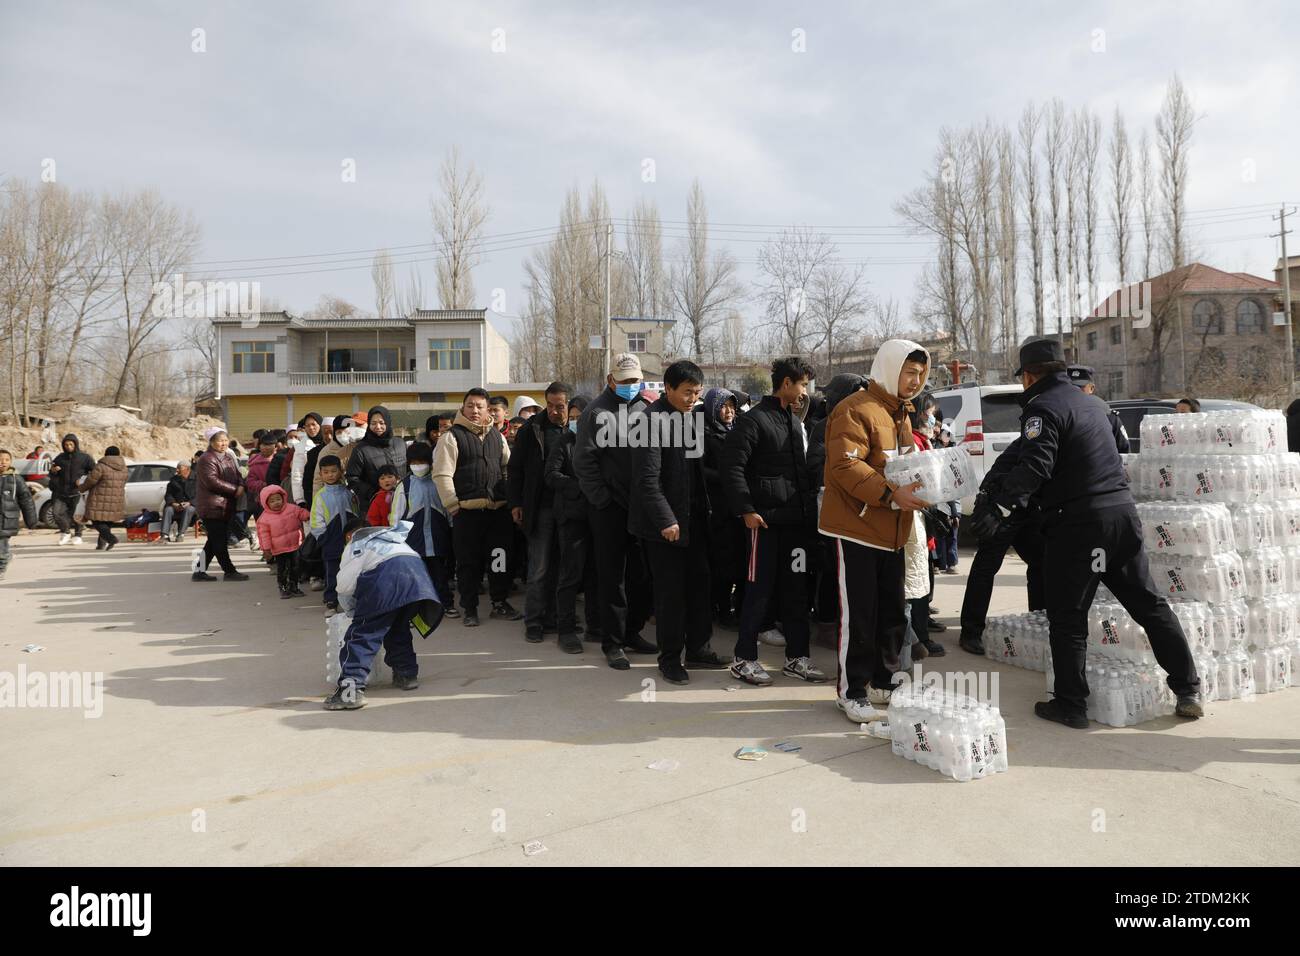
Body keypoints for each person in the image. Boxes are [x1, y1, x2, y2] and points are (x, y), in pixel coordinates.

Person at [974, 337, 1203, 727]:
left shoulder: (1042, 410)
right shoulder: (1096, 404)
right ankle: (1187, 688)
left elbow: (1036, 466)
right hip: (1121, 515)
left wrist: (999, 506)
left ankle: (1070, 704)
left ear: (1028, 376)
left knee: (1068, 617)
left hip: (1078, 524)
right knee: (1149, 604)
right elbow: (1113, 450)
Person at [820, 339, 931, 723]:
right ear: (889, 368)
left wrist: (924, 489)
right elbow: (846, 468)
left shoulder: (900, 413)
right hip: (858, 528)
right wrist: (890, 493)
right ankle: (851, 691)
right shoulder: (854, 410)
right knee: (860, 616)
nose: (915, 381)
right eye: (909, 372)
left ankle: (884, 683)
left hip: (892, 529)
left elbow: (899, 467)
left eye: (920, 374)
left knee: (890, 614)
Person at [723, 356, 826, 686]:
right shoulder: (752, 421)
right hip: (764, 524)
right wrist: (746, 510)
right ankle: (743, 659)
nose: (804, 391)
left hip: (795, 525)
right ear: (786, 383)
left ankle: (797, 658)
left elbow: (803, 473)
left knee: (796, 592)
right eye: (802, 384)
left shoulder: (795, 422)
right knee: (759, 591)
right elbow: (732, 468)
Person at [627, 362, 726, 683]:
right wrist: (665, 519)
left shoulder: (691, 417)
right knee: (671, 595)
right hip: (664, 526)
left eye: (697, 393)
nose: (692, 398)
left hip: (693, 518)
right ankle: (669, 658)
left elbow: (697, 471)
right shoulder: (648, 422)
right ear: (667, 388)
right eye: (687, 392)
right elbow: (646, 480)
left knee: (700, 586)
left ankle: (699, 649)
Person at [572, 352, 658, 670]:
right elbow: (584, 462)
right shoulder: (595, 413)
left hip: (641, 506)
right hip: (609, 508)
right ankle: (613, 642)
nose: (631, 386)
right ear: (611, 380)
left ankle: (632, 631)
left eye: (635, 380)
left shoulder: (645, 408)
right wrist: (603, 500)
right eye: (624, 381)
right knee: (612, 577)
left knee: (642, 574)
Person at [323, 518, 443, 711]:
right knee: (398, 627)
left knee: (363, 634)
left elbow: (345, 585)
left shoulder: (356, 543)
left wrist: (352, 612)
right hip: (418, 583)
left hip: (386, 581)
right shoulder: (394, 538)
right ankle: (406, 674)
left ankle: (350, 691)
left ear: (348, 536)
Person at [432, 388, 522, 627]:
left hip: (497, 511)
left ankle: (499, 602)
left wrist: (508, 498)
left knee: (499, 559)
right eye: (470, 405)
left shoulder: (497, 436)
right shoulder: (451, 437)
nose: (475, 410)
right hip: (466, 513)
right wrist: (452, 505)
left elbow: (506, 468)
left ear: (487, 409)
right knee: (468, 563)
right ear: (463, 407)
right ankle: (469, 608)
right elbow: (442, 474)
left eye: (480, 406)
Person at [957, 435, 1047, 656]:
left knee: (1040, 563)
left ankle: (1037, 622)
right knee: (986, 567)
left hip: (1027, 504)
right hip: (1001, 502)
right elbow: (1030, 471)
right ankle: (970, 631)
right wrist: (997, 508)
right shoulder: (1044, 431)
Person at [508, 381, 570, 643]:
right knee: (539, 568)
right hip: (540, 507)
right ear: (546, 403)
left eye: (562, 406)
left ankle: (555, 618)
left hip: (569, 508)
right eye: (552, 406)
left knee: (563, 568)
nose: (557, 411)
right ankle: (533, 621)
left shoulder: (577, 427)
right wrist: (516, 503)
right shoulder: (532, 429)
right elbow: (516, 470)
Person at [807, 374, 867, 640]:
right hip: (832, 506)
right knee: (831, 569)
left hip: (859, 507)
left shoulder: (862, 422)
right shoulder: (825, 426)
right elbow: (817, 467)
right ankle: (828, 622)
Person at [545, 395, 600, 653]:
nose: (577, 421)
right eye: (574, 417)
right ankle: (565, 630)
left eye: (582, 416)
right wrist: (580, 486)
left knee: (595, 575)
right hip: (571, 516)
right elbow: (552, 475)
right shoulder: (563, 442)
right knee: (570, 575)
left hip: (598, 515)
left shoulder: (602, 440)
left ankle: (595, 626)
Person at [389, 440, 456, 617]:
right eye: (415, 463)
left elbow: (448, 508)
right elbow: (396, 514)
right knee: (416, 578)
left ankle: (446, 604)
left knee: (440, 576)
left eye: (422, 462)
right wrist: (397, 538)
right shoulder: (404, 485)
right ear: (409, 463)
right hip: (414, 541)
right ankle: (415, 612)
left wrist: (451, 529)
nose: (419, 466)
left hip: (437, 538)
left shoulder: (438, 482)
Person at [701, 386, 744, 629]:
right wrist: (726, 476)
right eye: (723, 406)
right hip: (715, 506)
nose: (728, 411)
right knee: (718, 561)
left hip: (734, 505)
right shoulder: (704, 433)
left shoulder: (737, 431)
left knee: (734, 560)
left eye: (731, 406)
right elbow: (700, 469)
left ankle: (728, 606)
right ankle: (716, 608)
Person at [194, 429, 249, 582]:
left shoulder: (228, 456)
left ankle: (199, 571)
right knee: (219, 541)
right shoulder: (206, 458)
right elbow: (212, 481)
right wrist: (234, 490)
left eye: (225, 440)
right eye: (220, 440)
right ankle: (229, 570)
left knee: (213, 541)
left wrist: (241, 485)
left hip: (225, 505)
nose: (223, 443)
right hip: (212, 506)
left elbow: (238, 474)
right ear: (211, 442)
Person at [310, 454, 359, 615]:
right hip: (331, 543)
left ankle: (353, 601)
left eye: (333, 471)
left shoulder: (349, 492)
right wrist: (323, 538)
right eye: (326, 472)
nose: (330, 475)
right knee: (333, 573)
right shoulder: (320, 496)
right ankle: (331, 602)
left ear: (340, 471)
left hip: (351, 542)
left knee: (353, 571)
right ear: (320, 474)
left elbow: (356, 513)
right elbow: (316, 521)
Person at [347, 405, 407, 510]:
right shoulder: (361, 449)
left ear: (387, 423)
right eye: (373, 423)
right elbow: (352, 478)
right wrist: (372, 493)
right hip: (374, 505)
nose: (378, 427)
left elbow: (409, 470)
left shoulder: (400, 444)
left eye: (381, 423)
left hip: (403, 502)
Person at [257, 484, 310, 598]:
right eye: (272, 501)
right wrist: (266, 549)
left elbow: (302, 514)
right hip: (279, 549)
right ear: (266, 503)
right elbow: (264, 535)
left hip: (295, 545)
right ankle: (283, 588)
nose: (276, 502)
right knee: (283, 569)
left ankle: (294, 587)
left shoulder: (292, 508)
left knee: (295, 568)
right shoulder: (264, 518)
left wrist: (309, 515)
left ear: (283, 498)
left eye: (278, 499)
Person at [1067, 365, 1130, 452]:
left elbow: (1124, 450)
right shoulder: (1059, 415)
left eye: (1081, 387)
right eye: (1072, 387)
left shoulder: (1108, 416)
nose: (1076, 391)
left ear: (1091, 388)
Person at [48, 433, 94, 545]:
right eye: (66, 444)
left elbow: (94, 472)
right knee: (56, 513)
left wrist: (83, 480)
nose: (68, 446)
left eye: (71, 444)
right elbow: (52, 472)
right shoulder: (59, 458)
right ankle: (66, 532)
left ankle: (78, 535)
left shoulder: (85, 458)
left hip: (77, 492)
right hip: (60, 492)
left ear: (75, 444)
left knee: (77, 515)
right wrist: (53, 471)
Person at [80, 445, 128, 551]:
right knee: (106, 523)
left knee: (96, 521)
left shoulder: (101, 466)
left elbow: (90, 481)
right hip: (117, 499)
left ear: (106, 454)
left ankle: (111, 539)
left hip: (99, 498)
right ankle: (101, 545)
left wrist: (81, 488)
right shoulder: (124, 468)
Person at [0, 449, 38, 580]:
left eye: (6, 460)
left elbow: (26, 500)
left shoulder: (16, 479)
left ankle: (2, 567)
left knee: (1, 547)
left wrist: (31, 520)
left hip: (7, 519)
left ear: (10, 462)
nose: (2, 462)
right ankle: (6, 557)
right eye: (0, 460)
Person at [312, 415, 365, 501]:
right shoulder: (326, 451)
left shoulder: (355, 447)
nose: (342, 435)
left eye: (345, 431)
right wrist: (316, 501)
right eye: (338, 432)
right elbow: (318, 480)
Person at [161, 461, 197, 542]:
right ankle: (165, 535)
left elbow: (201, 495)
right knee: (168, 509)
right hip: (177, 505)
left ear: (187, 469)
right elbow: (168, 495)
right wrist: (174, 503)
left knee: (189, 509)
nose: (177, 470)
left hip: (192, 506)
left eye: (179, 468)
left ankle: (181, 534)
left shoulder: (197, 479)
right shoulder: (174, 480)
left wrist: (189, 503)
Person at [245, 433, 278, 514]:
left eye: (270, 445)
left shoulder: (280, 459)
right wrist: (263, 484)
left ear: (276, 447)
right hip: (261, 500)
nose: (266, 447)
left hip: (279, 498)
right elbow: (250, 482)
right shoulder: (254, 463)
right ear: (259, 446)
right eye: (264, 445)